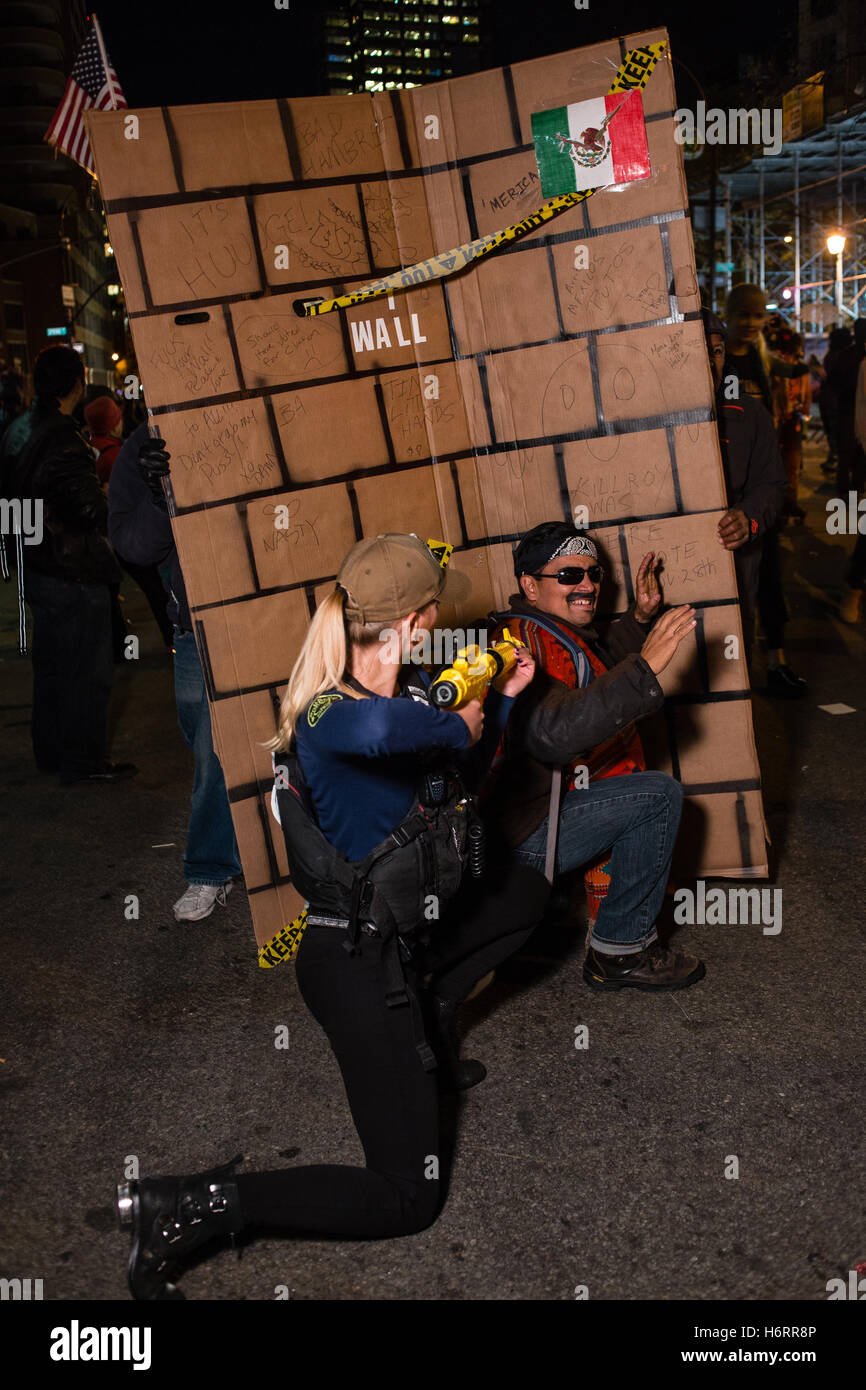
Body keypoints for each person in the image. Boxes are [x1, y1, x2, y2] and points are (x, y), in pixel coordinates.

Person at [115, 533, 541, 1300]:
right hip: (352, 967)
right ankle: (188, 1206)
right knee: (408, 1197)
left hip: (398, 943)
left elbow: (457, 780)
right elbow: (382, 736)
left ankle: (429, 1029)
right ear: (415, 621)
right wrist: (457, 722)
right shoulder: (328, 712)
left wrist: (499, 704)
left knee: (522, 895)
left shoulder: (407, 697)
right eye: (438, 608)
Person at [485, 521, 705, 992]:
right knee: (658, 796)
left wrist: (640, 621)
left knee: (633, 781)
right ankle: (619, 952)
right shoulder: (518, 644)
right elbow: (556, 733)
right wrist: (646, 665)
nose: (587, 585)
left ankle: (568, 918)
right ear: (529, 584)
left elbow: (590, 669)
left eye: (593, 573)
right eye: (568, 576)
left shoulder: (548, 628)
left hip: (533, 815)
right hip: (520, 837)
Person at [108, 426, 240, 918]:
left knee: (276, 745)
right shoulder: (143, 446)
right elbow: (133, 547)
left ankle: (217, 866)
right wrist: (161, 496)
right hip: (197, 628)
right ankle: (216, 867)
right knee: (208, 748)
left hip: (281, 618)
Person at [11, 346, 136, 784]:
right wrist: (108, 502)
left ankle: (50, 752)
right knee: (87, 671)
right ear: (77, 384)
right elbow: (88, 511)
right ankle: (83, 760)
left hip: (40, 564)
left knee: (50, 668)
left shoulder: (22, 430)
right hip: (72, 569)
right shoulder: (65, 438)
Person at [724, 284, 807, 698]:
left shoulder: (759, 356)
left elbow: (784, 371)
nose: (751, 322)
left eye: (758, 315)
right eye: (744, 314)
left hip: (762, 479)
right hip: (732, 489)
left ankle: (777, 660)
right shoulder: (721, 362)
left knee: (771, 577)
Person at [703, 309, 786, 664]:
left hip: (737, 560)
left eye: (718, 351)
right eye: (701, 349)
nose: (710, 361)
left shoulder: (750, 415)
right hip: (672, 565)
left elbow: (772, 484)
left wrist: (748, 519)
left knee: (732, 661)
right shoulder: (644, 420)